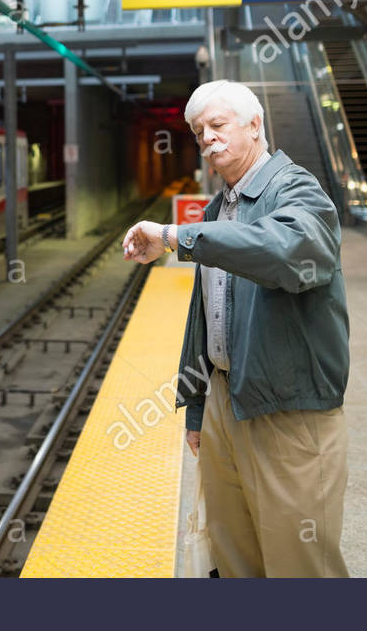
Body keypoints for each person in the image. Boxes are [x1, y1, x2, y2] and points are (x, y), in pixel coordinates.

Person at [122, 79, 350, 578]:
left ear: (255, 125)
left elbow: (291, 252)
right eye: (199, 131)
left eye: (218, 125)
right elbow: (208, 316)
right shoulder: (221, 205)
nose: (208, 138)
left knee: (298, 561)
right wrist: (199, 408)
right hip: (227, 399)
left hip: (287, 406)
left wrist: (174, 236)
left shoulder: (296, 189)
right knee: (233, 553)